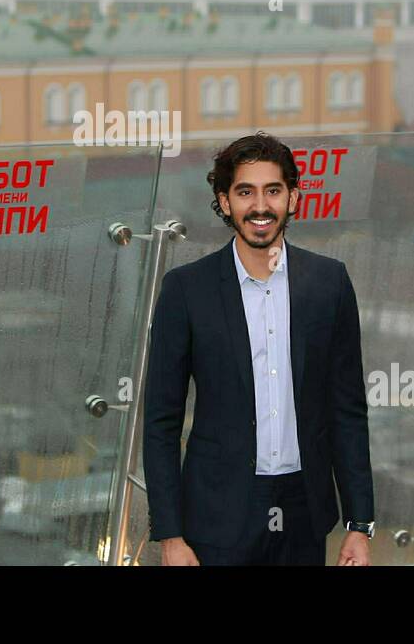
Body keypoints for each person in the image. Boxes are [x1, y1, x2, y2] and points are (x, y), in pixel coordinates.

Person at [142, 132, 374, 565]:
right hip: (215, 515)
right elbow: (161, 421)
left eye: (273, 191)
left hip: (303, 512)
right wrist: (170, 536)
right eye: (245, 192)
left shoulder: (329, 283)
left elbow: (347, 411)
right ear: (225, 202)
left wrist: (360, 526)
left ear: (293, 198)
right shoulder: (187, 290)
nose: (261, 206)